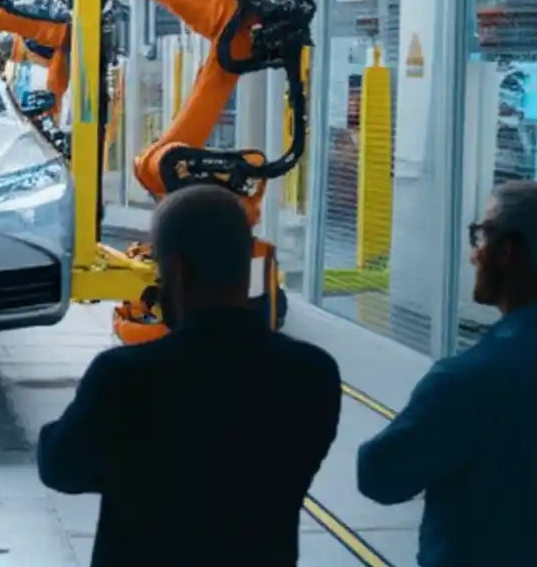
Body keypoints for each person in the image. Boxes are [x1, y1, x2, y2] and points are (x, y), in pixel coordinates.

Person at [35, 184, 341, 566]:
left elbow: (60, 468)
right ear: (250, 263)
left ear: (177, 271)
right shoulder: (313, 374)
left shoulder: (124, 377)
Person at [357, 179, 537, 567]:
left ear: (506, 252)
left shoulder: (470, 381)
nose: (474, 255)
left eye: (481, 236)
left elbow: (380, 475)